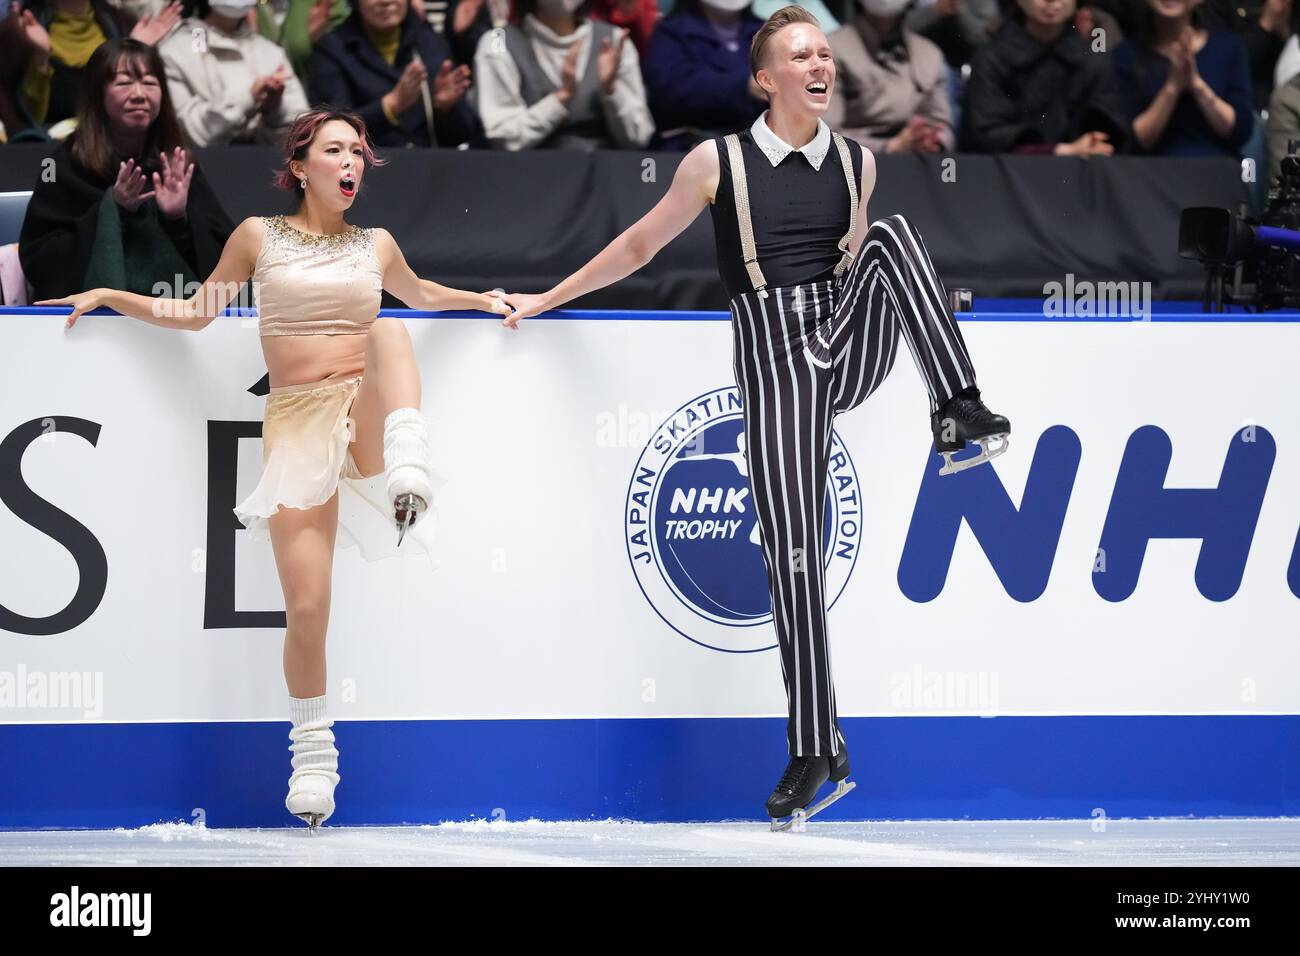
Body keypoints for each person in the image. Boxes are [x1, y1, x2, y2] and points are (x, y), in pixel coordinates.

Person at [497, 5, 1010, 829]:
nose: (819, 65)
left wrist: (854, 328)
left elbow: (859, 268)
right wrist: (548, 298)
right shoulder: (716, 162)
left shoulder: (858, 164)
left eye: (823, 53)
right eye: (798, 56)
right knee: (795, 562)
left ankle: (957, 405)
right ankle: (818, 747)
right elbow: (637, 249)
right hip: (775, 366)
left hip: (839, 349)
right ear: (765, 79)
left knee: (892, 238)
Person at [37, 107, 510, 829]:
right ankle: (314, 758)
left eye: (359, 151)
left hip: (371, 417)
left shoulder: (376, 245)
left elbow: (424, 295)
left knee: (385, 328)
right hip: (297, 426)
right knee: (309, 608)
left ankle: (409, 461)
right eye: (335, 150)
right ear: (299, 166)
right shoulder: (259, 235)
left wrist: (486, 299)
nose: (351, 162)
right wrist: (109, 294)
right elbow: (196, 314)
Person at [18, 37, 232, 301]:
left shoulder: (177, 163)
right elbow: (40, 259)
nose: (139, 94)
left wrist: (178, 220)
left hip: (173, 320)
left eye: (150, 83)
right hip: (88, 324)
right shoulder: (64, 164)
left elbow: (227, 264)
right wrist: (112, 209)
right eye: (124, 83)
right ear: (98, 93)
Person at [473, 0, 654, 150]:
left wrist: (610, 92)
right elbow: (503, 139)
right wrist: (561, 97)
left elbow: (638, 137)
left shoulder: (614, 41)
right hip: (530, 178)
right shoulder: (498, 44)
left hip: (604, 178)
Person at [962, 0, 1129, 155]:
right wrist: (1060, 150)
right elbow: (986, 134)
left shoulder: (1094, 62)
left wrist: (1095, 143)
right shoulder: (990, 59)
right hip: (1006, 176)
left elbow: (1111, 129)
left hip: (1081, 176)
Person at [308, 0, 482, 149]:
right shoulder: (331, 50)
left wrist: (445, 109)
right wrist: (391, 105)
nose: (386, 1)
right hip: (366, 174)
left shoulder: (430, 43)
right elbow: (331, 131)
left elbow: (463, 134)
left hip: (429, 173)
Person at [158, 0, 310, 147]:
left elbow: (302, 133)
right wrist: (249, 98)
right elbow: (187, 132)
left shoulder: (269, 51)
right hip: (199, 167)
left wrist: (274, 109)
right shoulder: (176, 50)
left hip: (267, 166)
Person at [1114, 0, 1255, 156]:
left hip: (1217, 169)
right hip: (1151, 172)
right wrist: (1172, 87)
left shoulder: (1230, 47)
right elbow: (1135, 140)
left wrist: (1196, 84)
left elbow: (1241, 130)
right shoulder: (1125, 54)